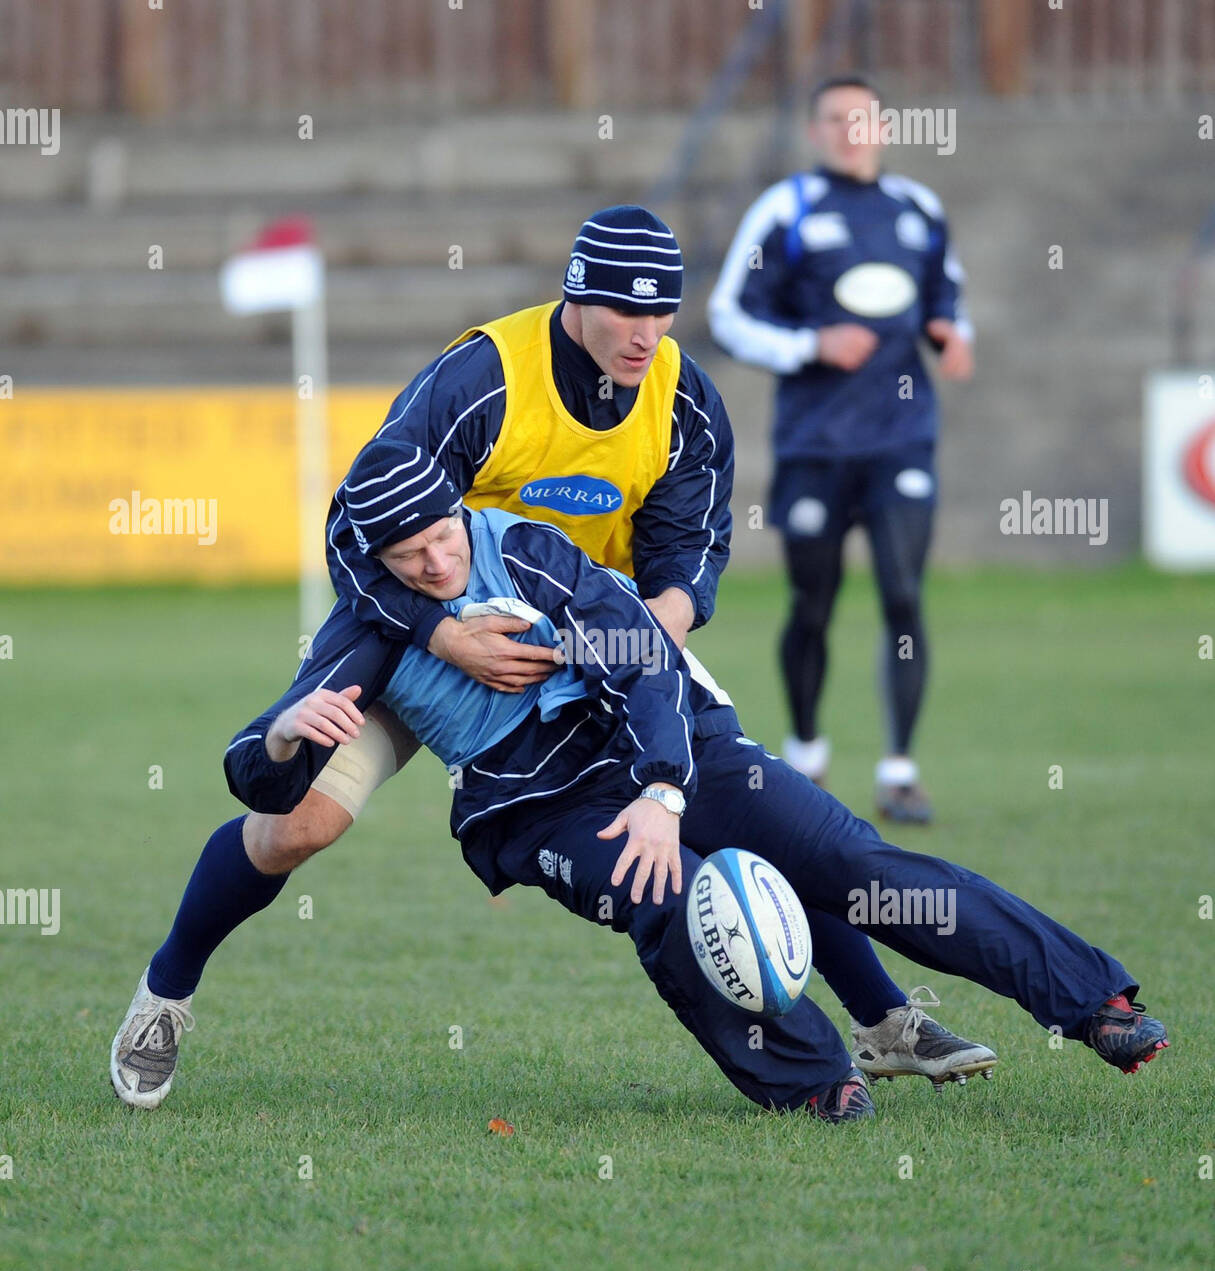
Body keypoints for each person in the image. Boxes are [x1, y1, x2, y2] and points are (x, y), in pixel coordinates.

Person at [110, 207, 994, 1111]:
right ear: (578, 301)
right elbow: (353, 531)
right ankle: (166, 993)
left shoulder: (673, 392)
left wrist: (650, 634)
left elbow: (691, 545)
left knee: (735, 804)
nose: (644, 335)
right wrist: (440, 631)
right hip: (419, 636)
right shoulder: (482, 375)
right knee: (301, 824)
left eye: (661, 315)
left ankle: (884, 1021)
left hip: (578, 635)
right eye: (624, 311)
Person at [113, 450, 1169, 1123]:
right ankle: (812, 1081)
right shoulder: (369, 625)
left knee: (853, 862)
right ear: (374, 563)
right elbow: (256, 773)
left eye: (442, 538)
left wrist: (664, 792)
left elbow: (640, 658)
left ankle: (1091, 1003)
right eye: (410, 557)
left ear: (457, 512)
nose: (436, 565)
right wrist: (285, 736)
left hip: (663, 749)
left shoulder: (524, 546)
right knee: (673, 898)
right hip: (542, 808)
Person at [709, 74, 974, 824]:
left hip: (900, 440)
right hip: (814, 446)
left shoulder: (917, 210)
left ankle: (898, 771)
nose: (849, 131)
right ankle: (806, 754)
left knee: (901, 594)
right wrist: (808, 342)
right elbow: (729, 314)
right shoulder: (786, 208)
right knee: (812, 604)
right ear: (813, 130)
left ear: (882, 127)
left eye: (861, 119)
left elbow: (947, 300)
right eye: (834, 119)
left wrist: (955, 335)